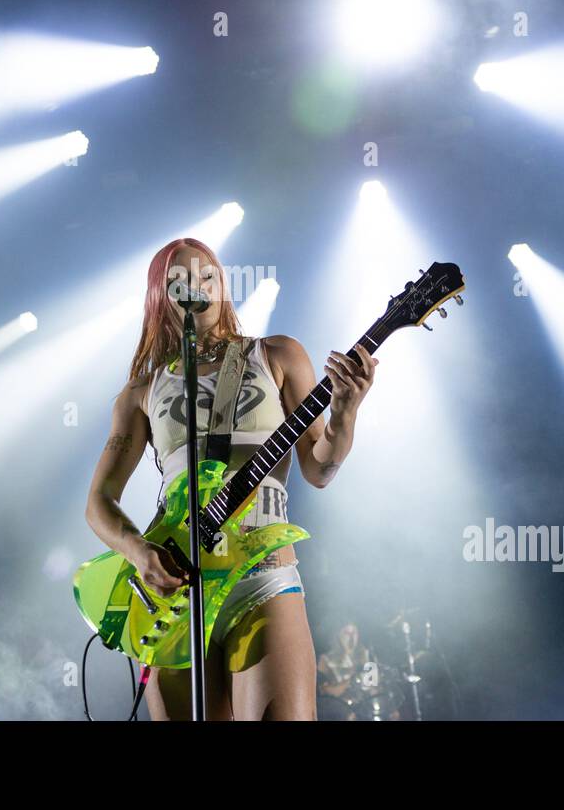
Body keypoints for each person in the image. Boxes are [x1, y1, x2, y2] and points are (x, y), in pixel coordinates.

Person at [84, 237, 379, 720]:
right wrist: (141, 555)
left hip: (262, 577)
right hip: (180, 591)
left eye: (209, 275)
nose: (198, 286)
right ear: (161, 295)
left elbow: (319, 468)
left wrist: (344, 415)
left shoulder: (277, 355)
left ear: (223, 284)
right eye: (180, 280)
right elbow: (99, 501)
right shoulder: (140, 391)